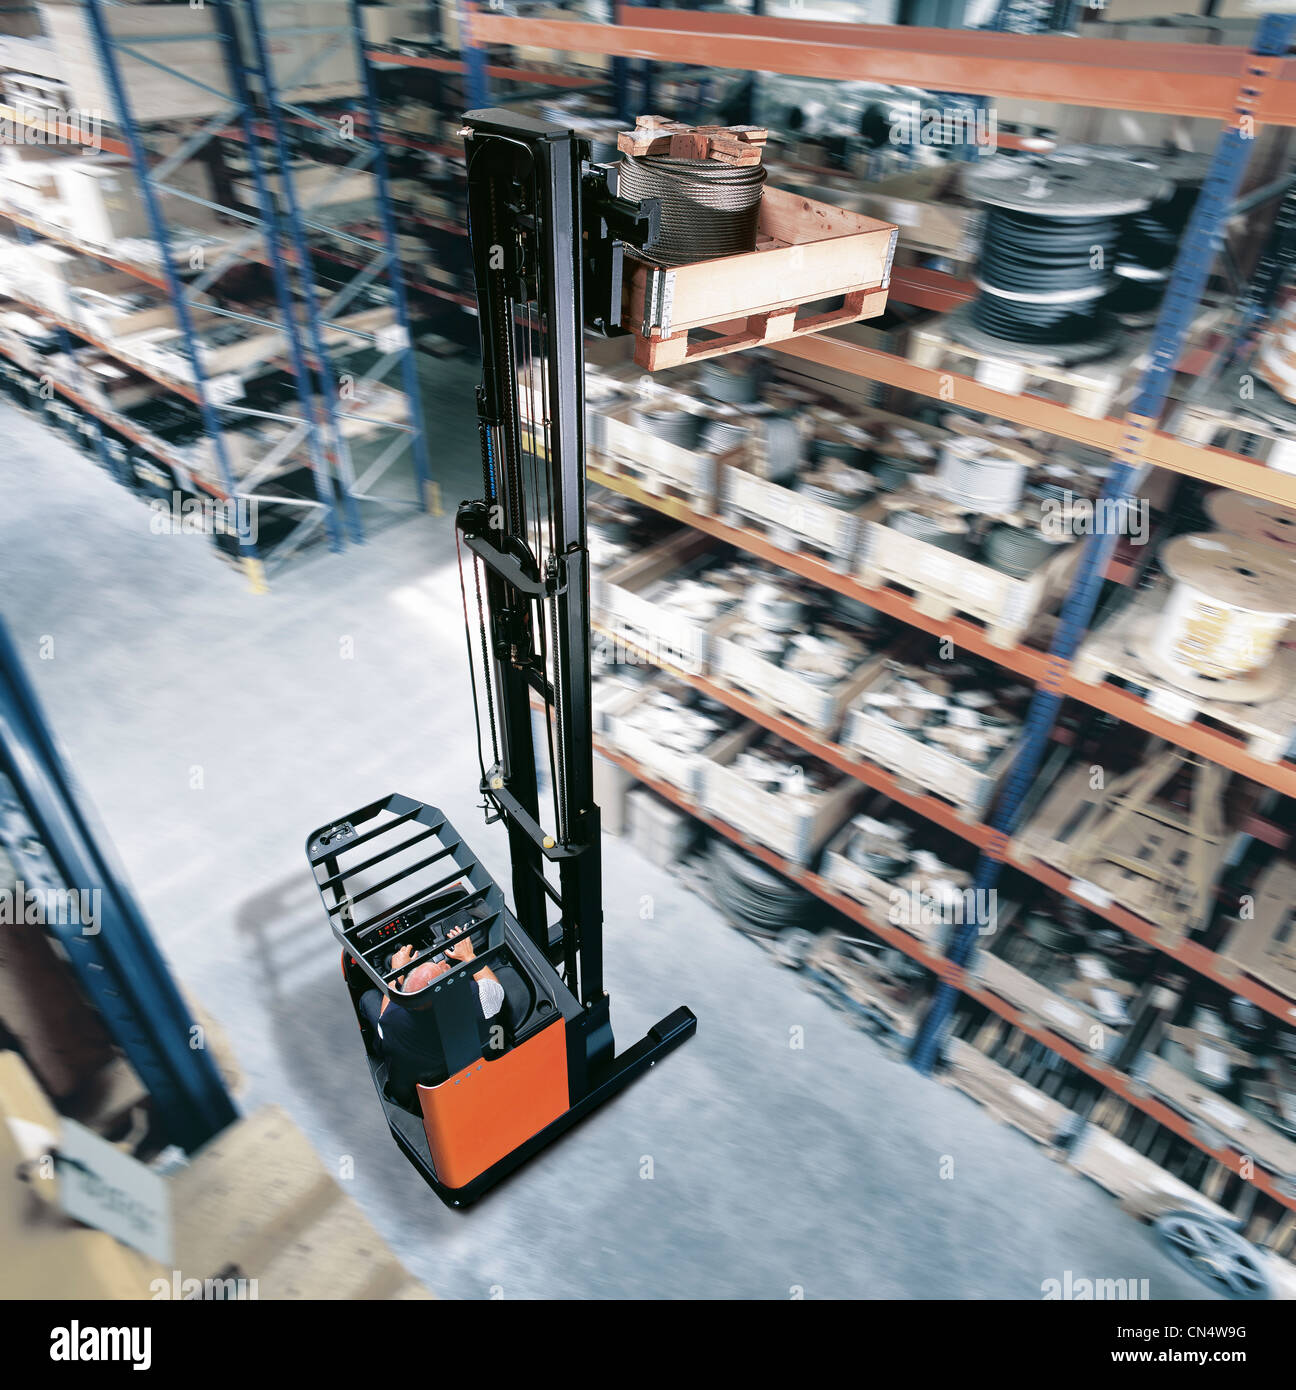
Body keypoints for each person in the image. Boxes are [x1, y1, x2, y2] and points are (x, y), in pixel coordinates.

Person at [358, 924, 505, 1105]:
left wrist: (396, 974)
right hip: (471, 1058)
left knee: (367, 998)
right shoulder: (478, 997)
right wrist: (468, 956)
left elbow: (386, 1013)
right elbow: (495, 988)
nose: (443, 963)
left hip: (429, 1076)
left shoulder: (391, 1021)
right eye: (442, 969)